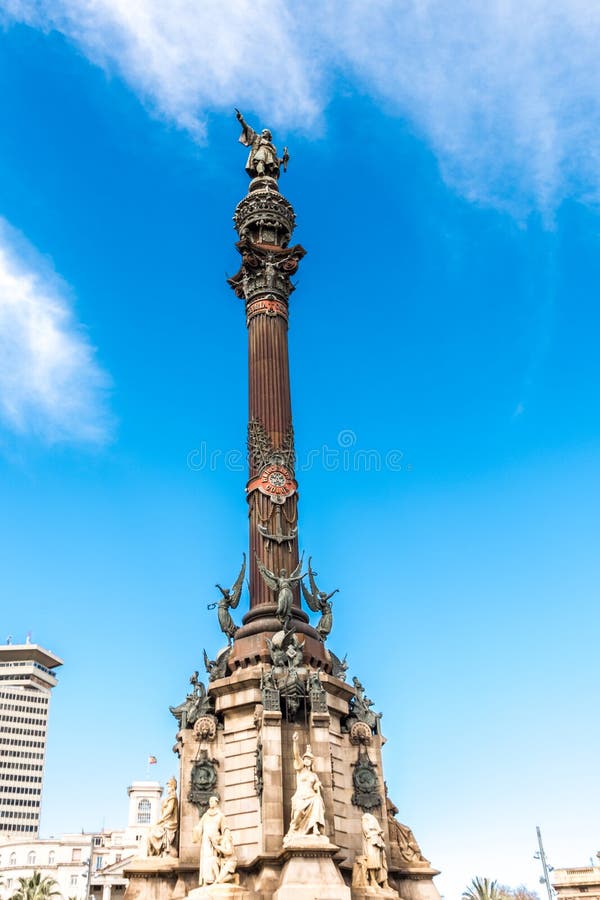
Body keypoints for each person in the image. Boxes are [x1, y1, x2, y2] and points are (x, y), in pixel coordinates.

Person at [284, 732, 326, 843]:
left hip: (311, 795)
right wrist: (295, 742)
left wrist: (318, 786)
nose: (307, 760)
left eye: (309, 759)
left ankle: (315, 827)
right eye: (305, 759)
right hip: (301, 796)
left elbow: (318, 787)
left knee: (317, 801)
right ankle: (294, 828)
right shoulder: (300, 770)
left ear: (312, 762)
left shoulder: (314, 775)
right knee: (299, 811)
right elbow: (296, 755)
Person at [193, 796, 235, 886]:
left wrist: (223, 839)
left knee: (213, 858)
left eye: (212, 801)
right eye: (210, 801)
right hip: (205, 840)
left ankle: (214, 879)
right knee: (205, 859)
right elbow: (200, 826)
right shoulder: (205, 815)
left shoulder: (220, 815)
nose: (210, 803)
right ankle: (205, 881)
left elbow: (225, 829)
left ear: (216, 802)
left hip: (215, 840)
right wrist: (196, 830)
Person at [236, 109, 287, 179]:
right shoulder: (257, 138)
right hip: (261, 150)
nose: (263, 132)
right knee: (259, 160)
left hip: (269, 154)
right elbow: (248, 129)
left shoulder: (272, 146)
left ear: (269, 135)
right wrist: (241, 120)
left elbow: (275, 159)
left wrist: (284, 159)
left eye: (265, 131)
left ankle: (266, 175)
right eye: (262, 132)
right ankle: (260, 172)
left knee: (270, 165)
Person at [147, 777, 178, 857]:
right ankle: (155, 852)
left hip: (170, 823)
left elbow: (169, 811)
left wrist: (161, 820)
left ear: (172, 787)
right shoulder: (169, 798)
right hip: (165, 822)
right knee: (151, 831)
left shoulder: (173, 797)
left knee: (152, 833)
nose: (167, 789)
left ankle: (158, 851)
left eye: (168, 787)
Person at [361, 812, 390, 890]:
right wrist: (376, 832)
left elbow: (381, 831)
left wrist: (379, 833)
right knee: (372, 860)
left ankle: (384, 882)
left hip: (378, 841)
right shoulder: (365, 817)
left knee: (382, 861)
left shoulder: (373, 818)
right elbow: (366, 830)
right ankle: (373, 881)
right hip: (372, 840)